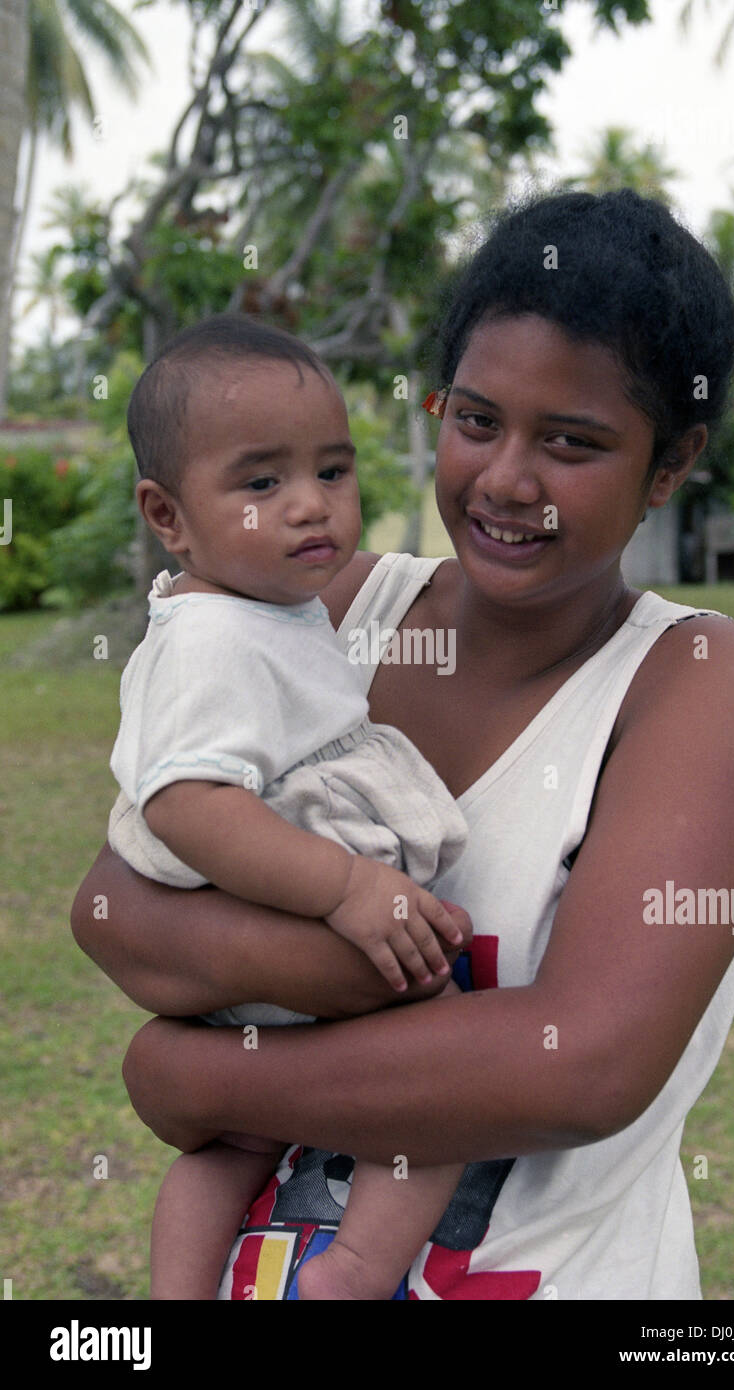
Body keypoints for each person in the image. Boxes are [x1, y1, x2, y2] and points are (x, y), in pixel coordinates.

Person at [72, 188, 734, 1301]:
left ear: (670, 463)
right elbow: (117, 906)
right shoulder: (319, 614)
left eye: (573, 442)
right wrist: (363, 974)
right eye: (477, 421)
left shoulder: (697, 681)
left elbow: (583, 1065)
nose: (506, 479)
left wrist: (195, 1069)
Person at [105, 314, 472, 1301]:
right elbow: (185, 803)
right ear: (168, 515)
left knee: (237, 1141)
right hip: (296, 926)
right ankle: (354, 1267)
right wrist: (346, 887)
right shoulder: (210, 640)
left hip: (251, 964)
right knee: (448, 1067)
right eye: (262, 483)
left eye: (333, 471)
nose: (312, 504)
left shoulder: (263, 609)